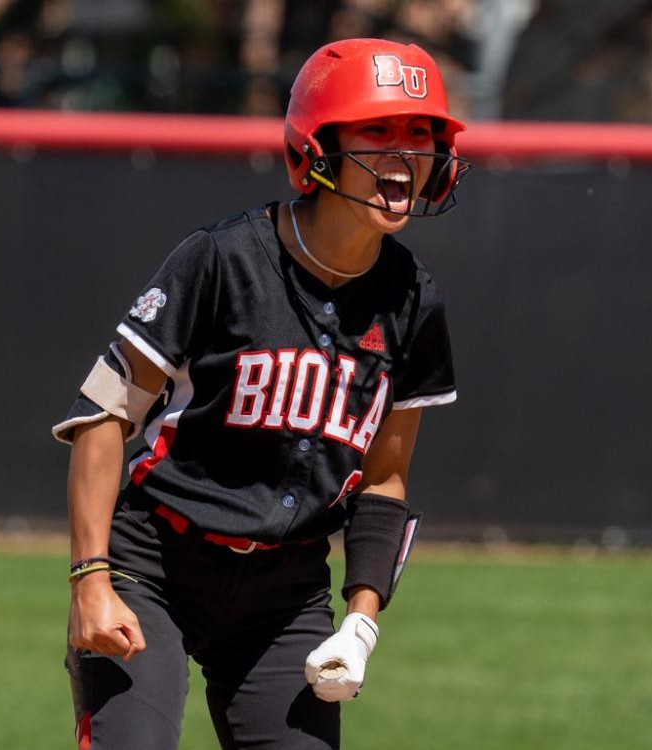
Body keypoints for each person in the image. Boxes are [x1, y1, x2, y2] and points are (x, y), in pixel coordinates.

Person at [50, 38, 469, 750]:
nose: (406, 151)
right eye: (379, 129)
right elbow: (104, 416)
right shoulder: (222, 260)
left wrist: (361, 623)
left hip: (285, 592)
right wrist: (90, 578)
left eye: (422, 132)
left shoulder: (411, 299)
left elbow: (385, 481)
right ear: (317, 147)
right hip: (155, 564)